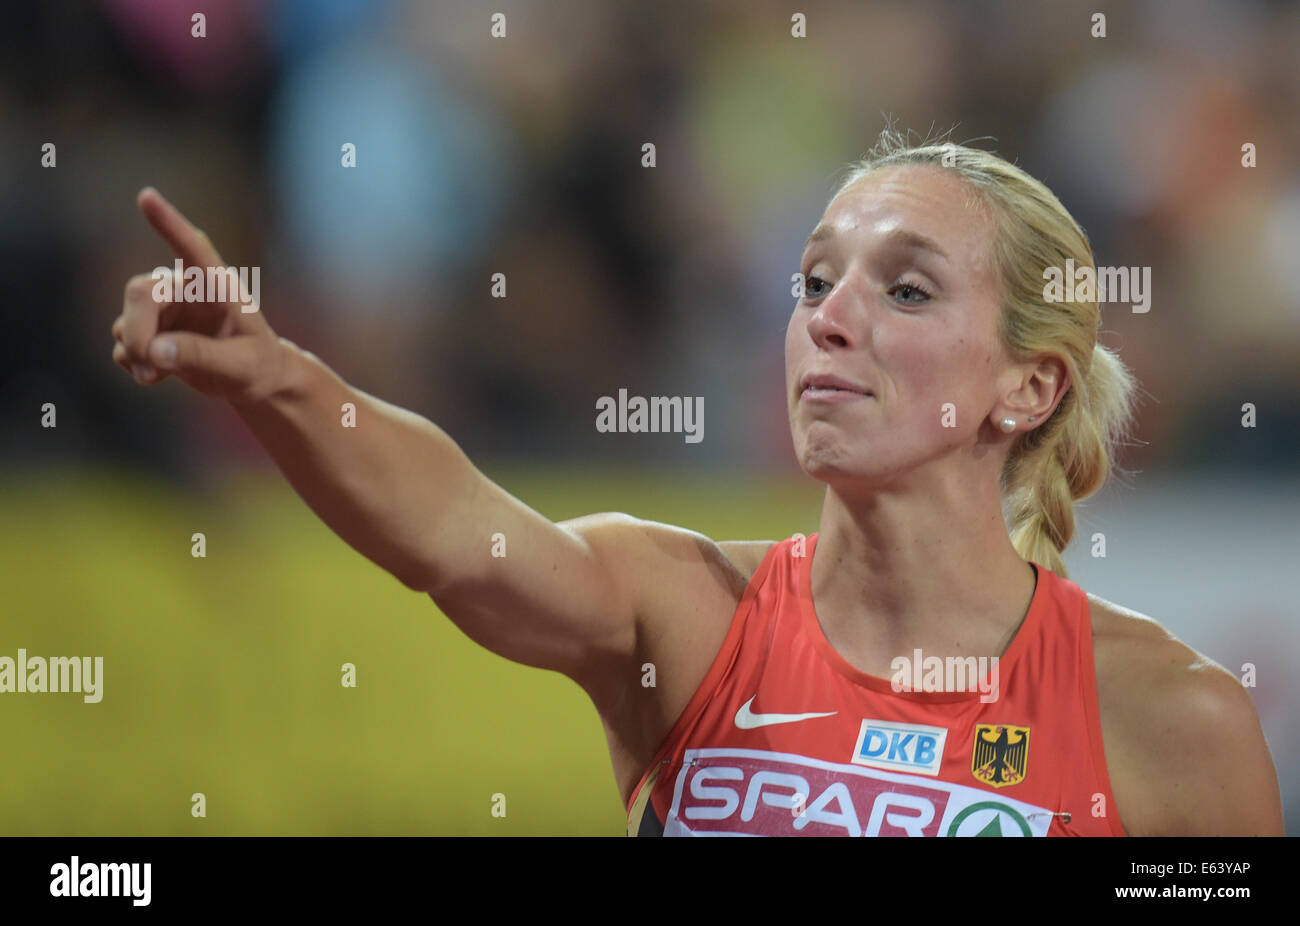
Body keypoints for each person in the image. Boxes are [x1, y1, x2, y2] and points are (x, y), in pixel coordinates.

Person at [111, 130, 1284, 837]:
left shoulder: (1168, 719)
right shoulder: (684, 611)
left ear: (1026, 388)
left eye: (907, 290)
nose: (829, 318)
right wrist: (278, 379)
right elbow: (456, 533)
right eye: (814, 279)